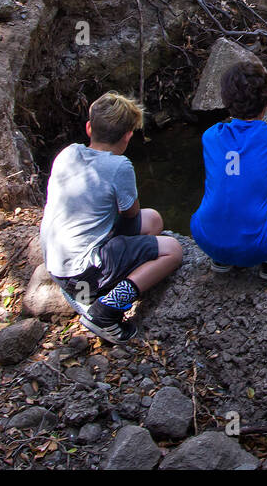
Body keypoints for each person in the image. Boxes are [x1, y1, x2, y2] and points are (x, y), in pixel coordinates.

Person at [40, 92, 183, 343]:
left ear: (88, 128)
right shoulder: (120, 167)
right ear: (128, 135)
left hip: (56, 264)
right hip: (81, 271)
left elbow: (136, 219)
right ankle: (106, 312)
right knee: (173, 250)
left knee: (154, 220)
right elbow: (130, 214)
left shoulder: (68, 152)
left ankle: (86, 293)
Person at [190, 62, 267, 279]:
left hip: (206, 239)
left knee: (228, 180)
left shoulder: (210, 136)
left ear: (226, 101)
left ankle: (221, 258)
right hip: (259, 247)